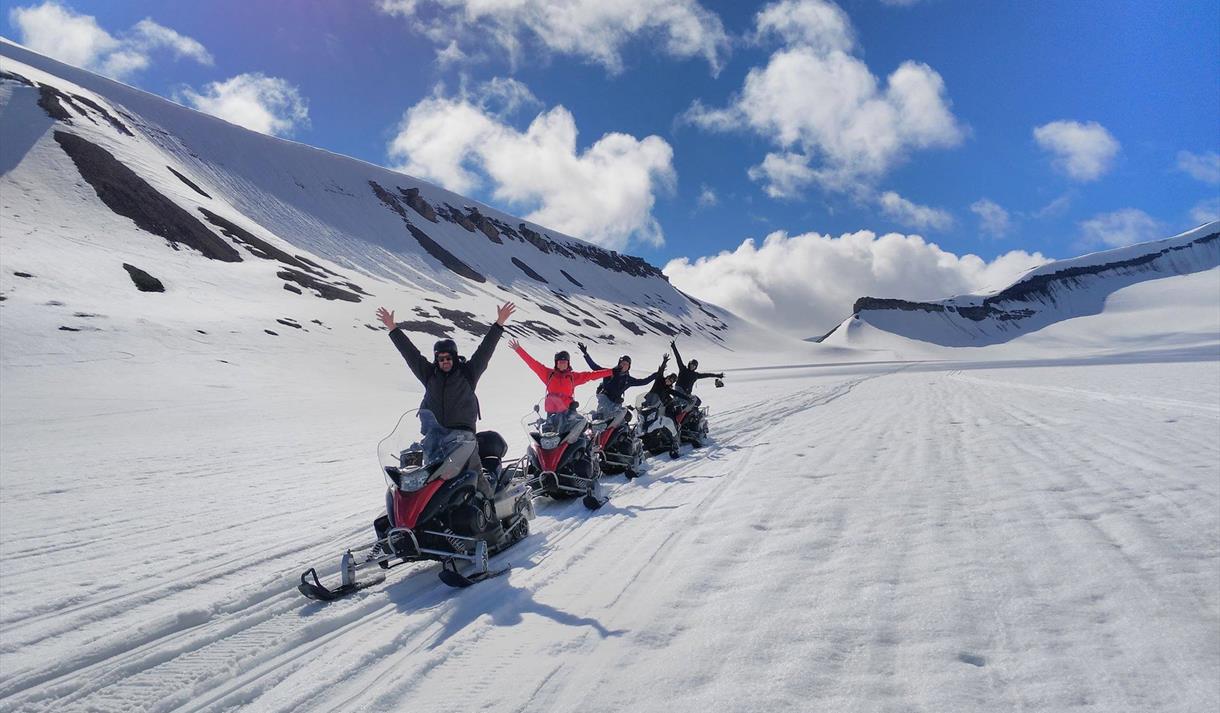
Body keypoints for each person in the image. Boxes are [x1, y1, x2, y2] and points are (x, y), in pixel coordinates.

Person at [376, 302, 515, 489]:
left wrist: (499, 323)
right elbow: (410, 354)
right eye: (441, 358)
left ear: (455, 357)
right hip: (435, 437)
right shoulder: (429, 375)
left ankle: (489, 507)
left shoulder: (468, 373)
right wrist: (393, 328)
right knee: (421, 479)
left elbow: (485, 350)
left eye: (449, 357)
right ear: (436, 360)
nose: (445, 361)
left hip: (462, 438)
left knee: (476, 480)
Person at [509, 340, 612, 431]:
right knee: (548, 438)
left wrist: (611, 372)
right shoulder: (548, 374)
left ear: (568, 363)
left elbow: (591, 375)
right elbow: (532, 363)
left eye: (564, 362)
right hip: (551, 414)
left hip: (568, 412)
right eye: (560, 362)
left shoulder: (572, 377)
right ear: (556, 363)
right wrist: (519, 349)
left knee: (580, 429)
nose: (562, 364)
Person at [577, 342, 656, 419]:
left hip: (616, 407)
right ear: (619, 363)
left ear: (629, 367)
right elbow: (595, 367)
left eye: (626, 364)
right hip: (603, 404)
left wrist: (656, 374)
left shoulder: (628, 379)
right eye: (622, 363)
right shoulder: (610, 372)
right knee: (598, 421)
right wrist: (586, 355)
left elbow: (644, 381)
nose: (624, 365)